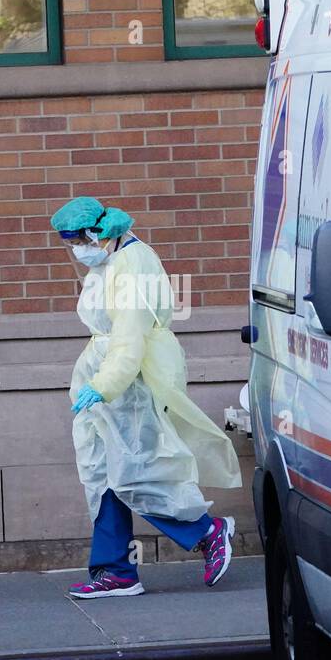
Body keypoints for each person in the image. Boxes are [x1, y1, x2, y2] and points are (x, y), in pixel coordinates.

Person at [50, 196, 243, 598]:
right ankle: (115, 570)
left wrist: (104, 385)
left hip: (130, 383)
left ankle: (207, 532)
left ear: (95, 234)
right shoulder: (110, 260)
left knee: (137, 472)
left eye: (76, 240)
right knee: (102, 474)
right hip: (107, 377)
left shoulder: (131, 264)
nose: (75, 249)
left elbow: (129, 337)